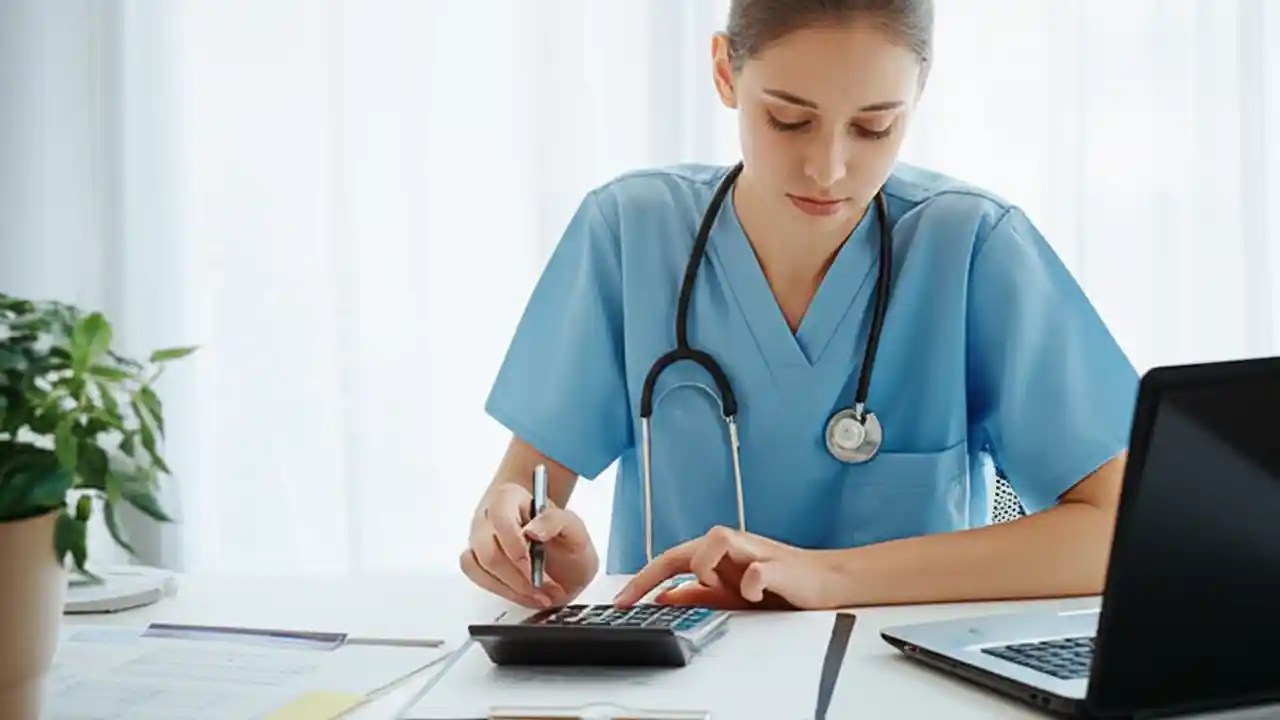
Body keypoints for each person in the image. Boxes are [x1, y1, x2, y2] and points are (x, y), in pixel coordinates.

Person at [460, 0, 1139, 612]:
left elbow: (1120, 528)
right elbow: (522, 499)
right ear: (726, 72)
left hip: (904, 686)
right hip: (681, 682)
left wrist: (828, 577)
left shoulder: (972, 249)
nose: (828, 168)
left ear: (918, 93)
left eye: (874, 127)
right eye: (788, 119)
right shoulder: (630, 232)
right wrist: (536, 558)